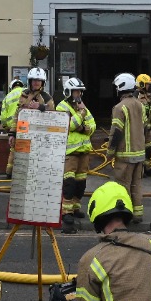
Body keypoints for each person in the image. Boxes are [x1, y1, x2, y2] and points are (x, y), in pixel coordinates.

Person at [56, 78, 96, 234]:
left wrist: (83, 127)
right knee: (69, 183)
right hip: (70, 152)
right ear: (68, 92)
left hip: (84, 151)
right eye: (76, 91)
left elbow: (93, 125)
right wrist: (81, 114)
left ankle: (76, 207)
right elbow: (68, 125)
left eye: (80, 91)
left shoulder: (82, 107)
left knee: (81, 184)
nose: (79, 94)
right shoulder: (62, 107)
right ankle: (67, 213)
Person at [108, 73, 147, 225]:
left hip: (125, 156)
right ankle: (138, 215)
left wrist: (110, 152)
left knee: (123, 186)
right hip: (140, 154)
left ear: (120, 87)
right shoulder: (140, 105)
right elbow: (145, 128)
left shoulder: (119, 107)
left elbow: (116, 132)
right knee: (136, 185)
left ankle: (125, 215)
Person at [0, 78, 24, 178]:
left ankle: (9, 172)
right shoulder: (26, 93)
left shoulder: (7, 97)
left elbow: (3, 118)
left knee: (14, 149)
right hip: (25, 124)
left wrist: (6, 128)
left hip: (12, 126)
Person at [136, 73, 151, 171]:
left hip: (147, 128)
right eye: (147, 84)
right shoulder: (136, 96)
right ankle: (140, 170)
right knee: (140, 150)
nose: (148, 86)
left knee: (149, 149)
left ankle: (147, 168)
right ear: (141, 84)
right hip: (140, 128)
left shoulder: (147, 95)